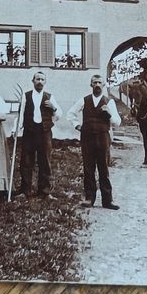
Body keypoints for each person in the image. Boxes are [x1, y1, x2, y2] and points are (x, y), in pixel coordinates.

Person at [68, 74, 121, 209]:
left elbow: (117, 122)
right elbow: (70, 113)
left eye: (99, 82)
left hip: (103, 137)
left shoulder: (109, 102)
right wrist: (77, 125)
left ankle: (107, 201)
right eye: (94, 82)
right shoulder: (84, 100)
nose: (97, 85)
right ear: (91, 85)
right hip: (87, 138)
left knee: (103, 168)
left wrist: (109, 113)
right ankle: (89, 198)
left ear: (103, 85)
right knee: (88, 168)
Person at [15, 71, 62, 200]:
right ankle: (25, 191)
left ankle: (44, 191)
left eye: (42, 79)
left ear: (45, 82)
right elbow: (21, 114)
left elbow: (59, 115)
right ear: (33, 81)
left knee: (45, 161)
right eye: (37, 79)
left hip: (44, 132)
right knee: (26, 161)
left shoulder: (49, 97)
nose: (40, 81)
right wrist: (16, 129)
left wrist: (54, 108)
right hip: (29, 131)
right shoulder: (26, 96)